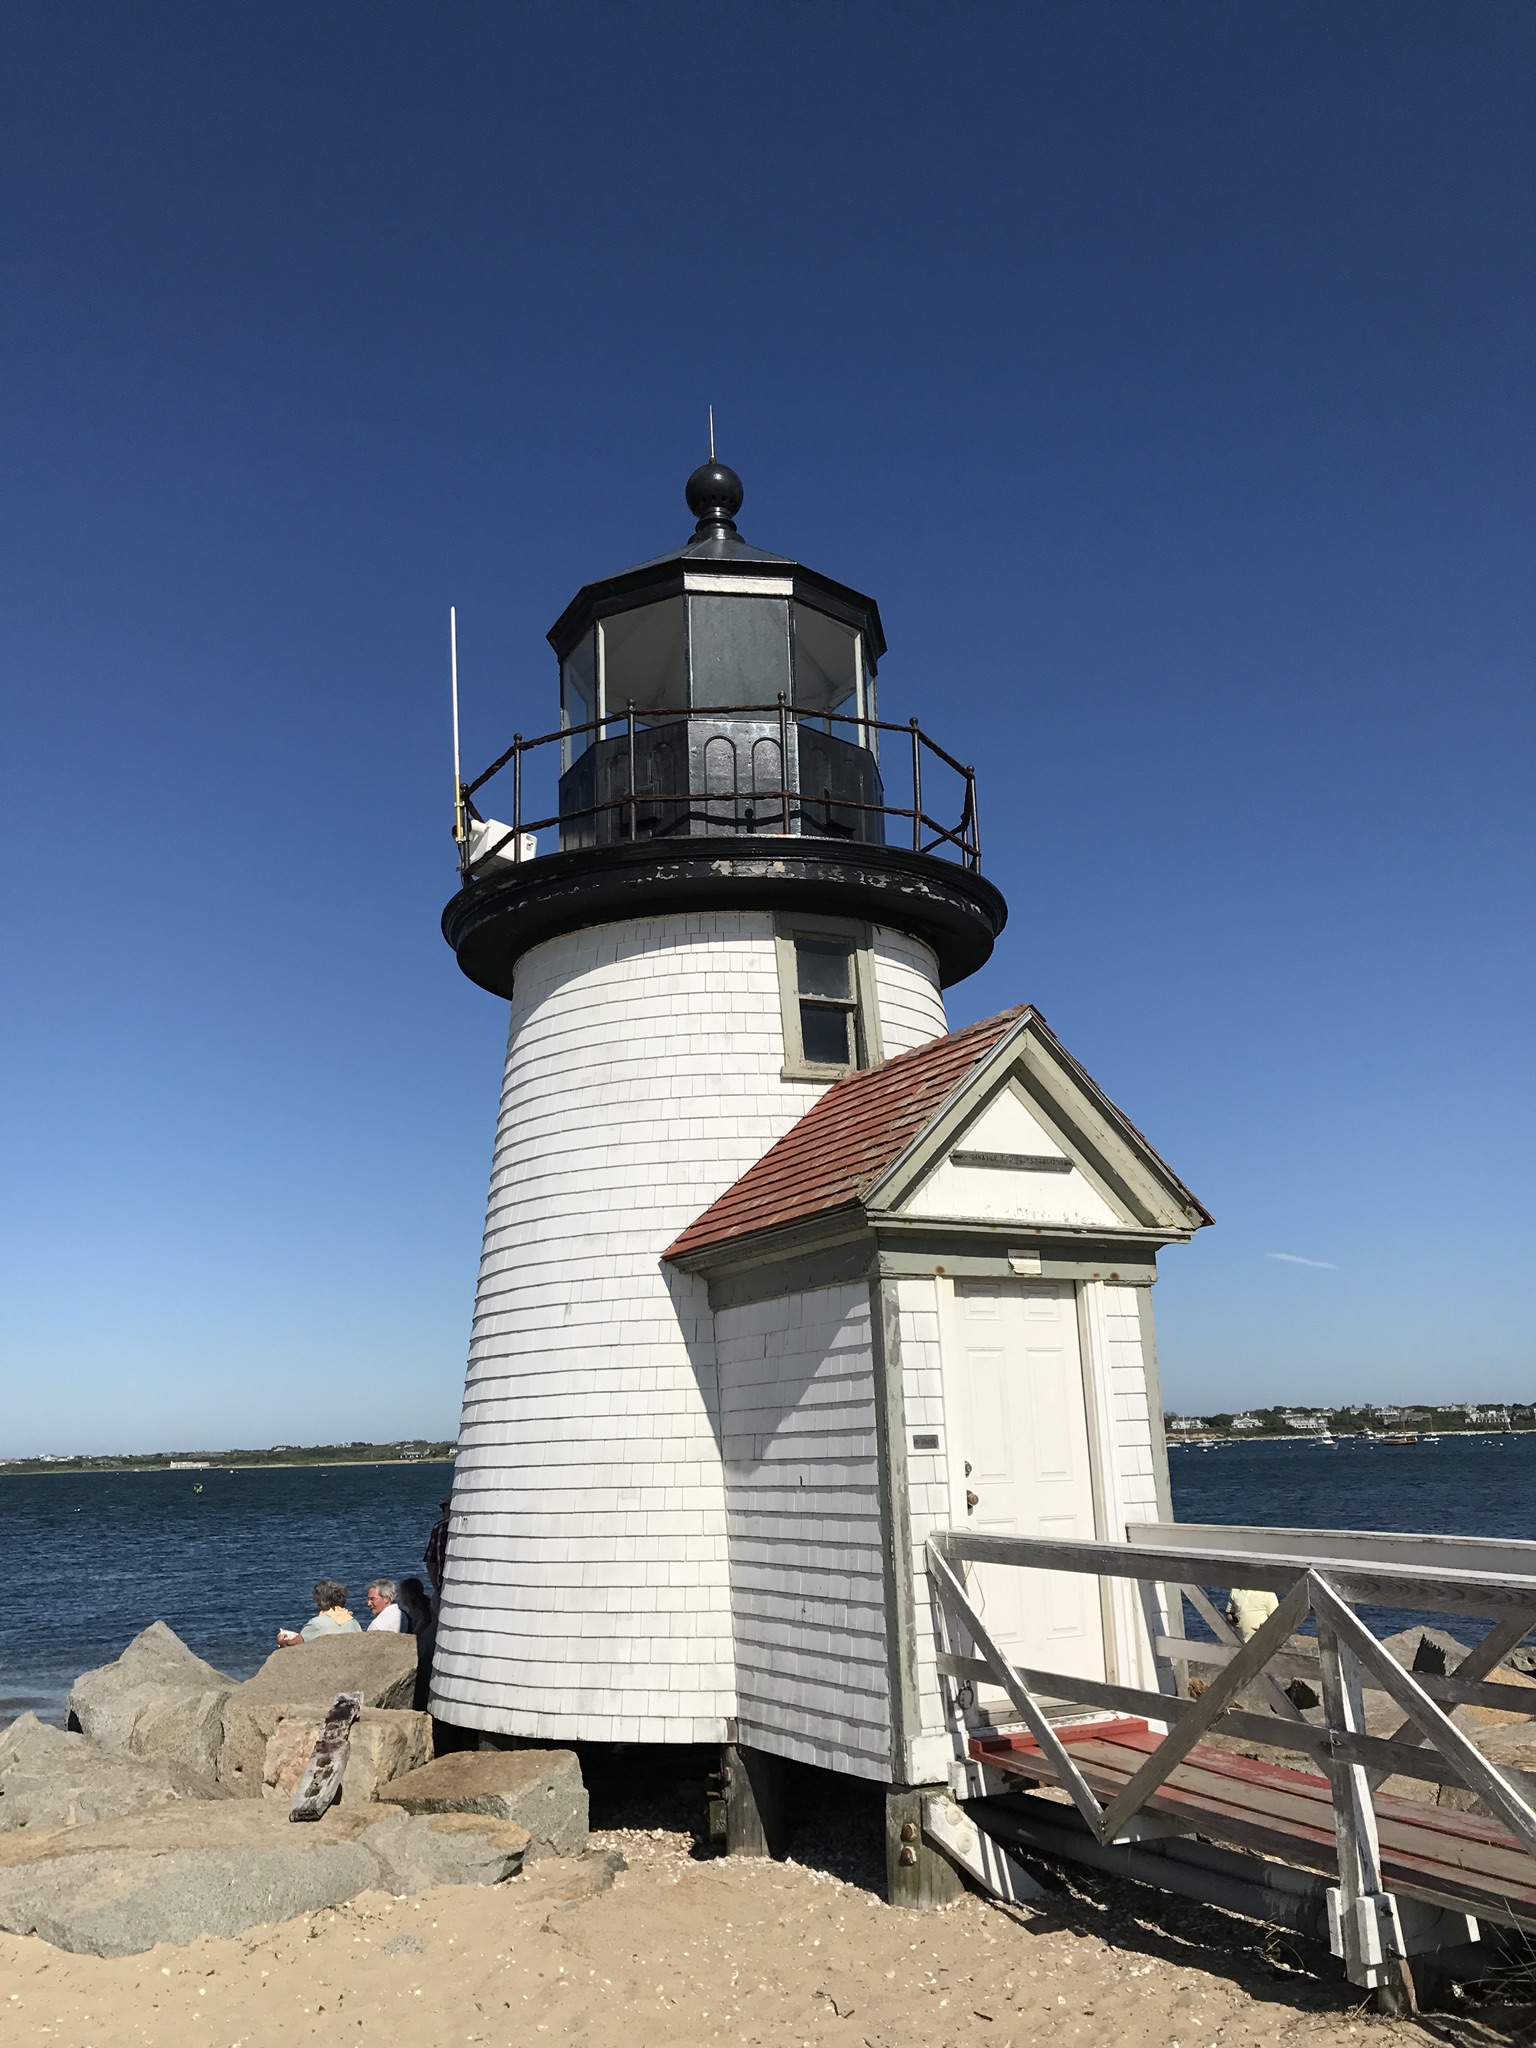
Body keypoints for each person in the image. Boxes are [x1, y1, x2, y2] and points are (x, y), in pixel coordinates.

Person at [277, 1580, 363, 1646]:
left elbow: (293, 1644)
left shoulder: (316, 1624)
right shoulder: (354, 1623)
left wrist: (281, 1641)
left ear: (320, 1601)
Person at [424, 1498, 451, 1600]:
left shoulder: (440, 1527)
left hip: (444, 1587)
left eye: (444, 1508)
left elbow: (431, 1564)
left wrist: (437, 1588)